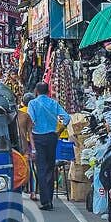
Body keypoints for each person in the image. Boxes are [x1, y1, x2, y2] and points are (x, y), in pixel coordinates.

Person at [24, 82, 69, 210]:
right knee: (50, 167)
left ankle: (45, 201)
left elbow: (30, 120)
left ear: (36, 91)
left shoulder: (32, 103)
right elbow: (66, 118)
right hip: (52, 137)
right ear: (48, 91)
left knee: (41, 169)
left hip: (38, 138)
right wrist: (59, 131)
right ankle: (49, 198)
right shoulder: (53, 103)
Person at [13, 91, 35, 195]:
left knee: (28, 169)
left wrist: (33, 149)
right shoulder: (3, 115)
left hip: (23, 146)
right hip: (11, 147)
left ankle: (32, 191)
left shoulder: (25, 115)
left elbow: (30, 133)